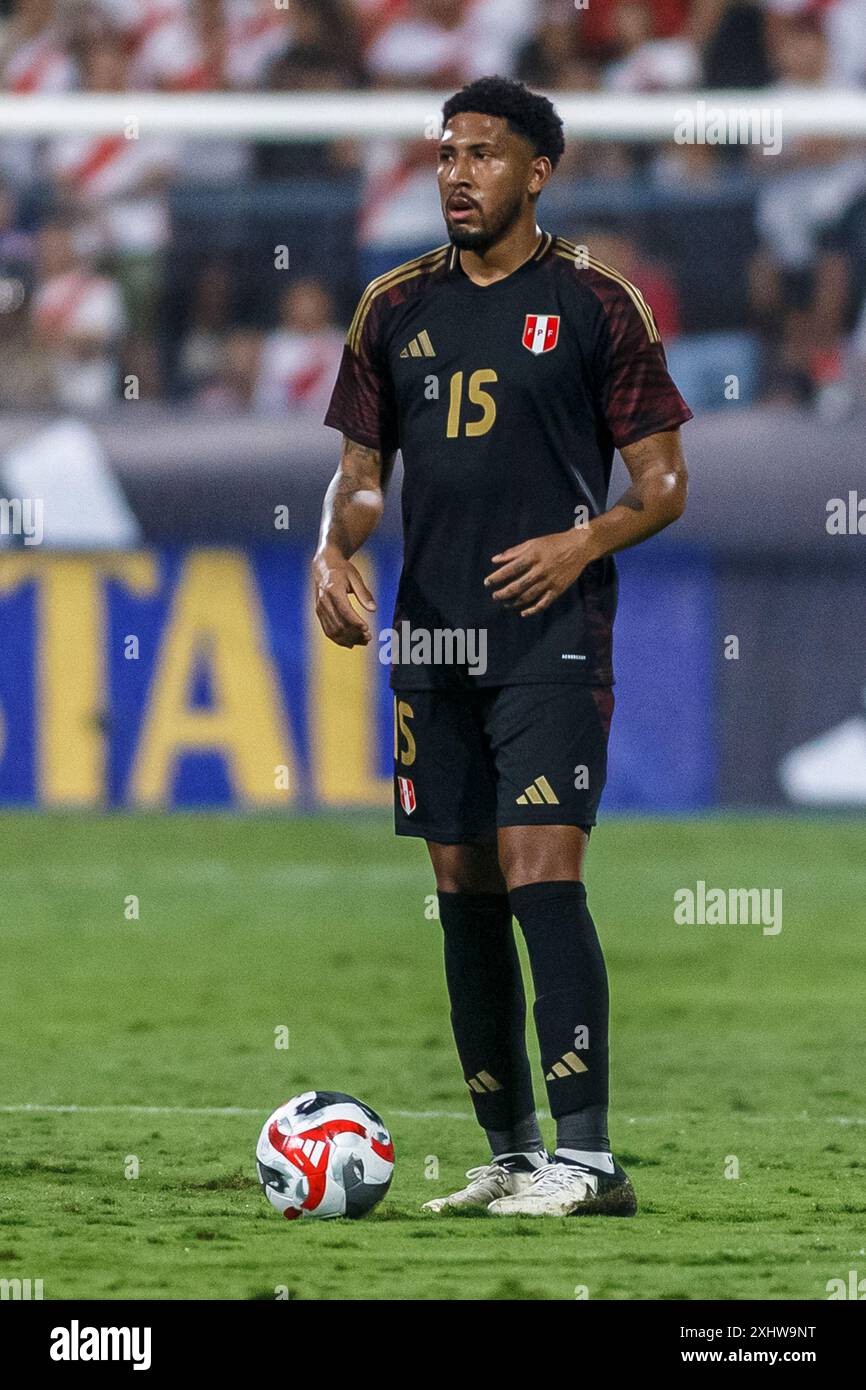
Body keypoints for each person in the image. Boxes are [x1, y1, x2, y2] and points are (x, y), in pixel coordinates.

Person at [313, 76, 692, 1217]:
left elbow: (664, 486)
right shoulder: (391, 306)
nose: (457, 174)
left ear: (537, 172)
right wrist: (333, 548)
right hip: (431, 633)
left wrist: (581, 547)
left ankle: (589, 1161)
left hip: (549, 634)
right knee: (459, 881)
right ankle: (513, 1152)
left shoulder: (594, 302)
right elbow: (361, 475)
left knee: (540, 864)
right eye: (445, 154)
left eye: (482, 154)